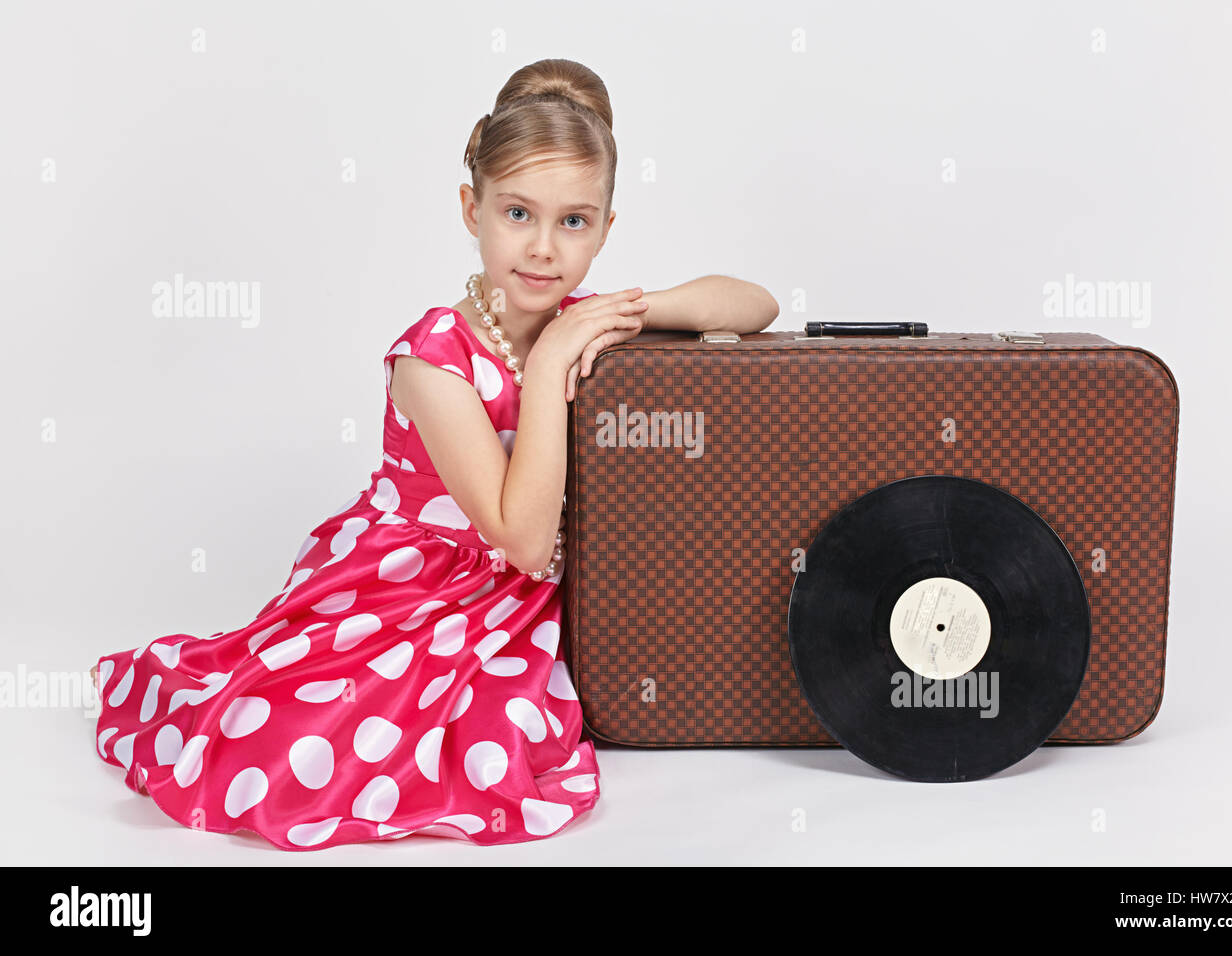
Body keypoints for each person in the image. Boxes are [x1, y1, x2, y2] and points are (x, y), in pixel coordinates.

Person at [89, 57, 778, 850]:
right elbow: (518, 539)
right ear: (470, 208)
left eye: (575, 222)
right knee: (324, 731)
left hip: (540, 586)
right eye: (517, 214)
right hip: (424, 580)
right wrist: (552, 362)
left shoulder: (582, 318)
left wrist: (638, 308)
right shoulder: (433, 360)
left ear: (606, 230)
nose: (545, 250)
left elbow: (755, 304)